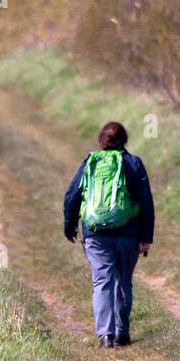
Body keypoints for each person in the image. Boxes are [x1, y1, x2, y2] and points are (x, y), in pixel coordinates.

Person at [63, 121, 155, 348]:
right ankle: (122, 333)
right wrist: (146, 235)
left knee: (102, 281)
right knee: (123, 280)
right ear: (124, 140)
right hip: (129, 234)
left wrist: (70, 225)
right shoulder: (133, 164)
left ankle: (105, 334)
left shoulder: (90, 162)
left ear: (101, 140)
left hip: (95, 234)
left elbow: (72, 195)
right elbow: (146, 202)